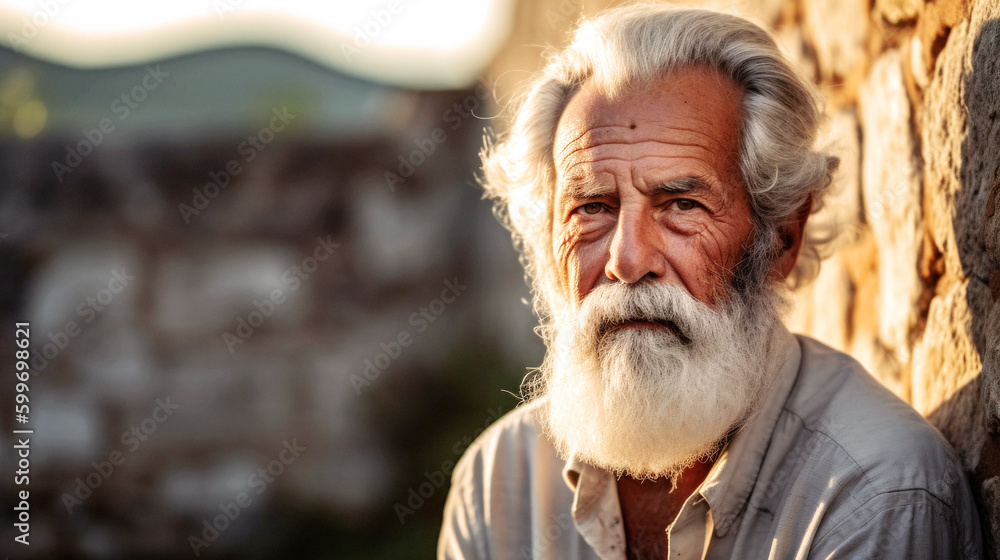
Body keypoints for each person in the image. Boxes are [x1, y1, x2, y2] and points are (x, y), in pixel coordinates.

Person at [438, 4, 984, 559]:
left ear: (781, 240)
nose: (626, 261)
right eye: (592, 208)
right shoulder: (496, 487)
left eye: (681, 204)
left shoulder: (874, 495)